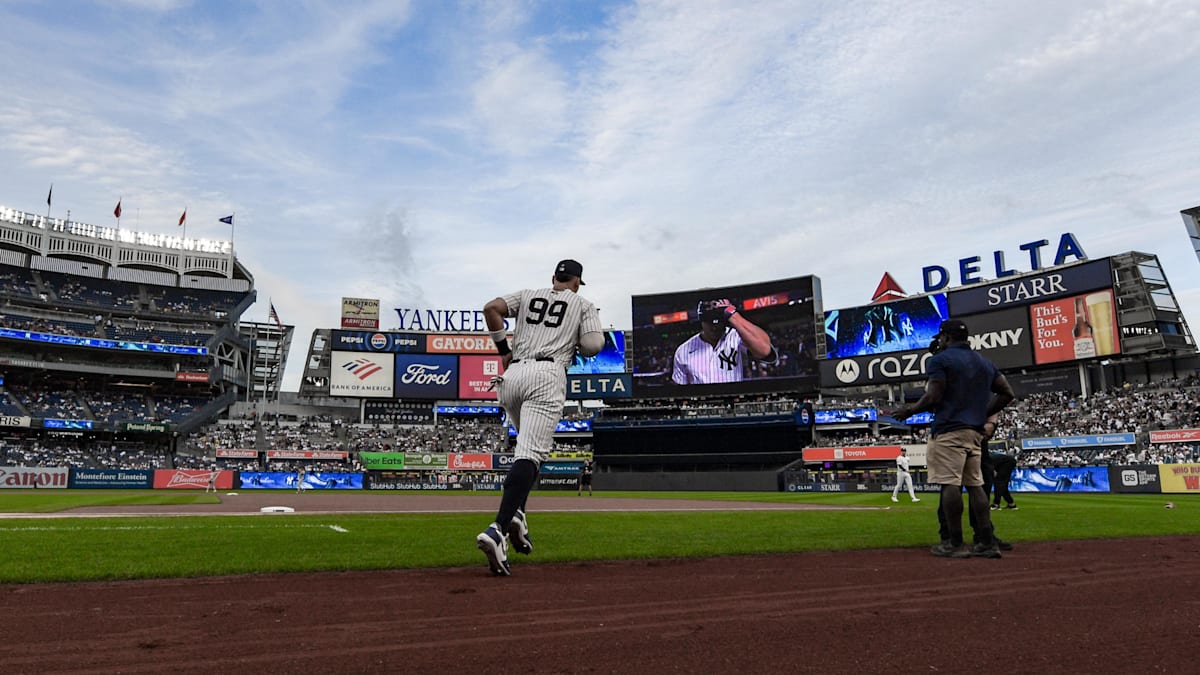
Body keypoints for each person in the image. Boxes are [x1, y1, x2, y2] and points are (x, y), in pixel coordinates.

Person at [475, 259, 604, 576]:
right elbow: (593, 345)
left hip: (512, 375)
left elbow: (491, 308)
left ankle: (518, 515)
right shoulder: (583, 304)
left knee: (526, 452)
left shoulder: (529, 294)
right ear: (576, 282)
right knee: (530, 454)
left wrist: (503, 348)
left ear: (554, 279)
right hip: (546, 374)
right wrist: (574, 335)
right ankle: (499, 529)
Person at [890, 319, 1015, 559]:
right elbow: (1007, 393)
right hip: (975, 431)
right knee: (976, 485)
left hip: (949, 429)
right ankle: (986, 542)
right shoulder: (984, 361)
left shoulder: (940, 360)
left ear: (946, 337)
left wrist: (909, 411)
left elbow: (934, 395)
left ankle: (954, 542)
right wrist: (982, 414)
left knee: (950, 485)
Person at [671, 298, 777, 384]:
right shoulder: (683, 350)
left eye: (718, 322)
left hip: (733, 405)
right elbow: (680, 390)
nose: (714, 327)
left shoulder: (737, 337)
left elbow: (764, 350)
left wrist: (734, 315)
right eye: (710, 323)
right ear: (701, 321)